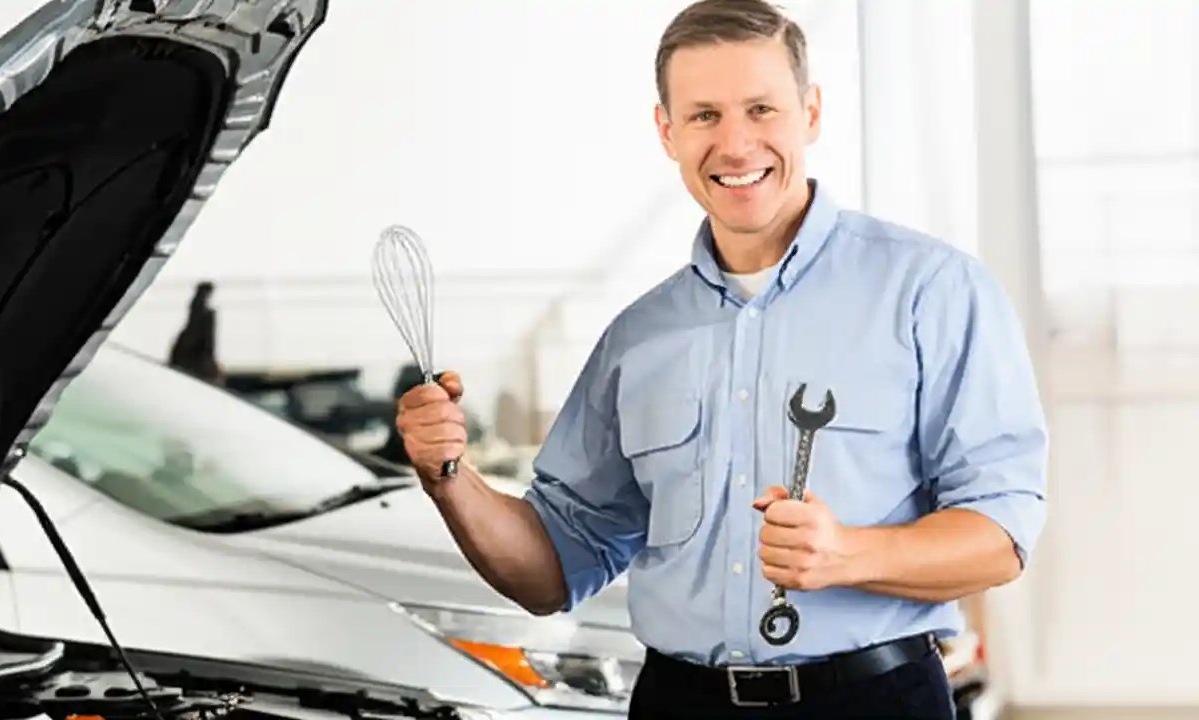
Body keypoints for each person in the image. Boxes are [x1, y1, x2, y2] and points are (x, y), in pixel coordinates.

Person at [394, 1, 1047, 717]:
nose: (735, 145)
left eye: (761, 109)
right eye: (704, 115)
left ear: (811, 112)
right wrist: (450, 477)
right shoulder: (636, 339)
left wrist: (850, 555)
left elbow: (1001, 536)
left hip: (874, 699)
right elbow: (551, 572)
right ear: (666, 131)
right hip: (679, 703)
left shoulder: (932, 291)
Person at [168, 280, 222, 384]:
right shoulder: (204, 312)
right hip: (195, 350)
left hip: (192, 348)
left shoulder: (200, 309)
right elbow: (208, 338)